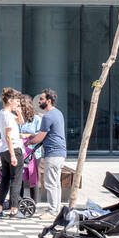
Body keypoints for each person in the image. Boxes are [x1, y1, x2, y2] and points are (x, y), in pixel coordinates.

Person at [27, 89, 67, 221]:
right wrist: (35, 136)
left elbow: (40, 138)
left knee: (50, 183)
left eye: (42, 99)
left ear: (49, 101)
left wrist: (28, 142)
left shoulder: (48, 116)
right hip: (60, 153)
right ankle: (55, 209)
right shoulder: (58, 113)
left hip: (53, 153)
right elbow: (46, 134)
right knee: (55, 183)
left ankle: (52, 211)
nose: (39, 101)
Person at [0, 87, 22, 218]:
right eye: (16, 100)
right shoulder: (8, 116)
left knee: (4, 179)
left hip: (3, 151)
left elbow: (21, 121)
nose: (18, 103)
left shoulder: (2, 113)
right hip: (13, 149)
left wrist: (19, 112)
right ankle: (14, 209)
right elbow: (8, 136)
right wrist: (13, 155)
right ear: (10, 101)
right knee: (16, 180)